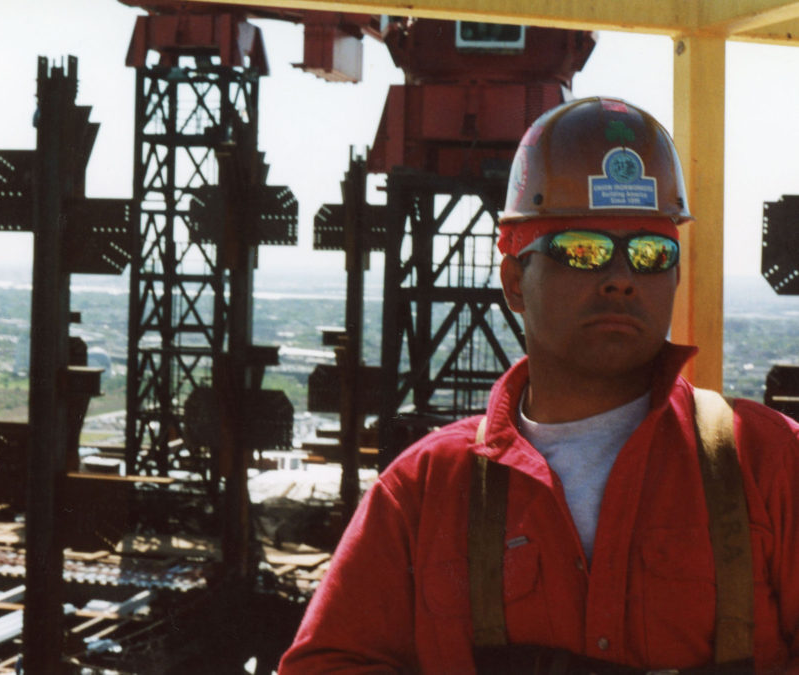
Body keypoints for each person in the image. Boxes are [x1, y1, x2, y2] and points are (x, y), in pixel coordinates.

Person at [279, 97, 799, 673]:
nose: (622, 279)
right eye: (584, 250)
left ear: (675, 275)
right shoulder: (423, 492)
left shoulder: (771, 463)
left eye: (652, 252)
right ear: (515, 281)